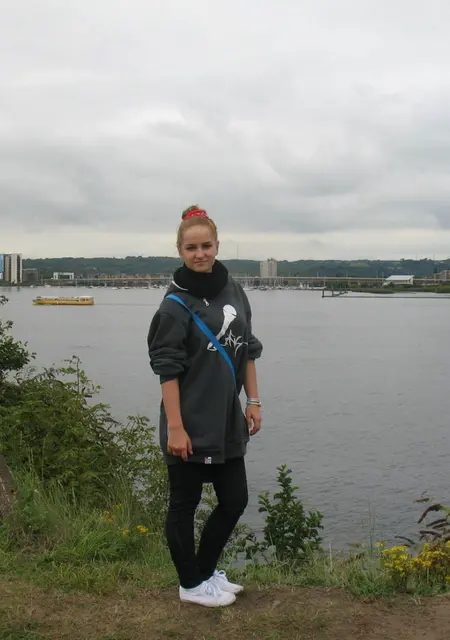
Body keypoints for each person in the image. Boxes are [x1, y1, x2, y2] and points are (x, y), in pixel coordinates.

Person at [147, 205, 263, 608]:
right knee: (185, 504)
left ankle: (204, 572)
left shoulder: (234, 290)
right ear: (180, 251)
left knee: (234, 500)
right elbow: (167, 370)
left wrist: (253, 400)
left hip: (226, 417)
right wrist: (176, 428)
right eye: (191, 248)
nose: (200, 254)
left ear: (217, 245)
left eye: (206, 246)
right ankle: (190, 585)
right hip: (189, 419)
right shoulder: (174, 305)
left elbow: (247, 349)